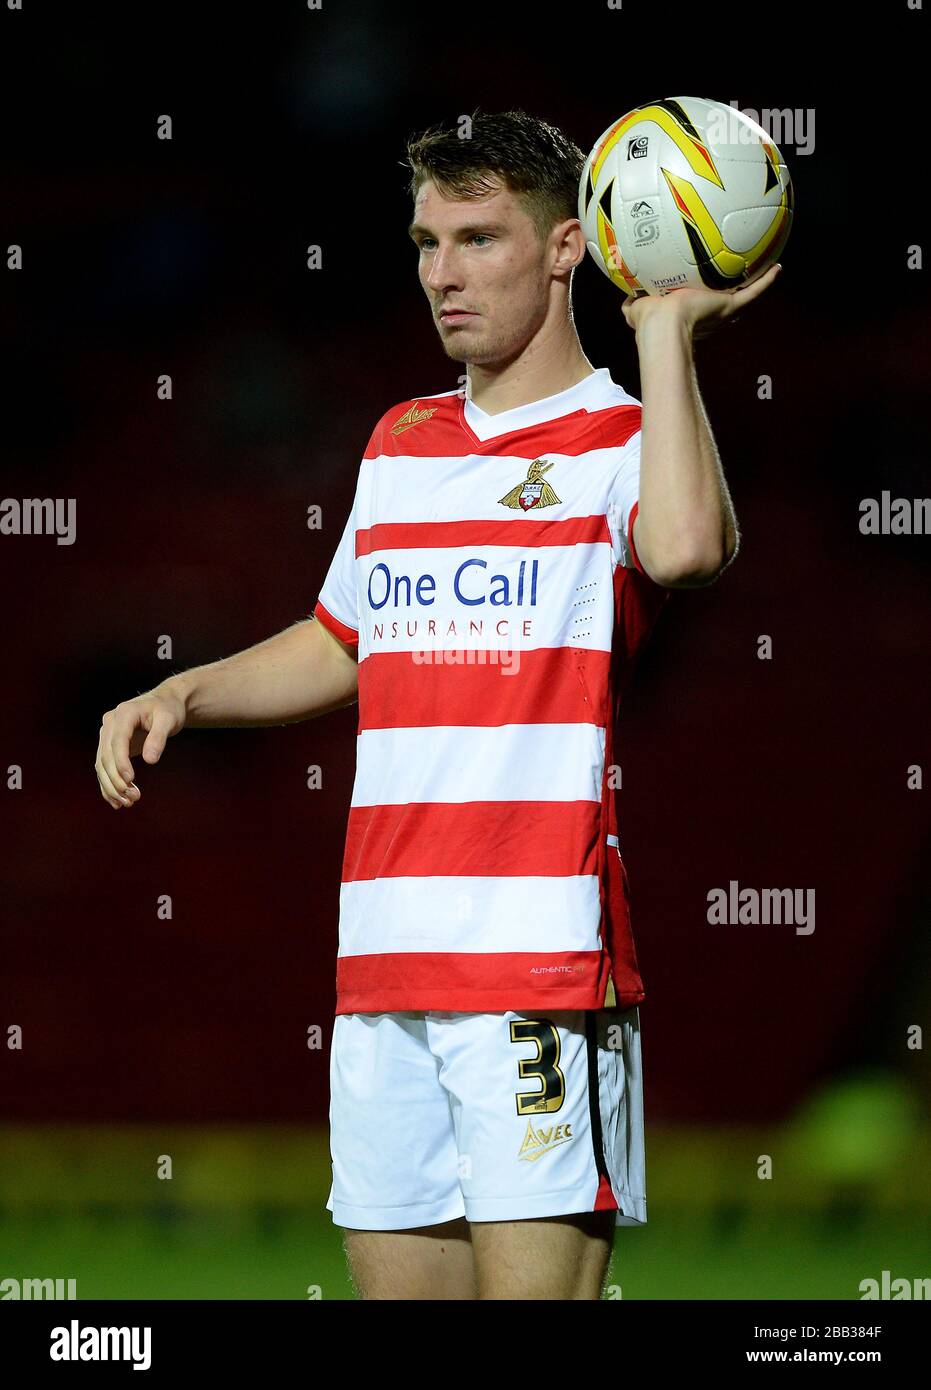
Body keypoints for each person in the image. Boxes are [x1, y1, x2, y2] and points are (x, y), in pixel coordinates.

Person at [95, 109, 780, 1300]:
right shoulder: (401, 441)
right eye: (424, 243)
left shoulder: (626, 437)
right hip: (383, 976)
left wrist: (664, 330)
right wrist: (183, 688)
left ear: (571, 247)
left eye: (477, 238)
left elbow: (679, 551)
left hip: (538, 980)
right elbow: (342, 639)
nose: (441, 276)